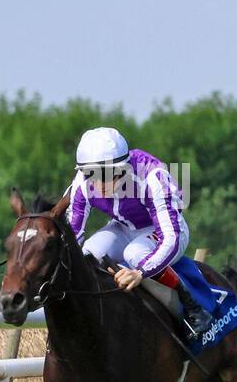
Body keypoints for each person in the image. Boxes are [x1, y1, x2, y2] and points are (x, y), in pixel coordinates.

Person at [67, 127, 212, 339]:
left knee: (134, 254)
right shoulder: (82, 182)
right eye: (91, 175)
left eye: (105, 175)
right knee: (89, 253)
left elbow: (171, 238)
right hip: (124, 227)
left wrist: (140, 273)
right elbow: (73, 233)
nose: (97, 184)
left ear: (122, 168)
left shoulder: (152, 176)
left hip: (166, 230)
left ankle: (193, 308)